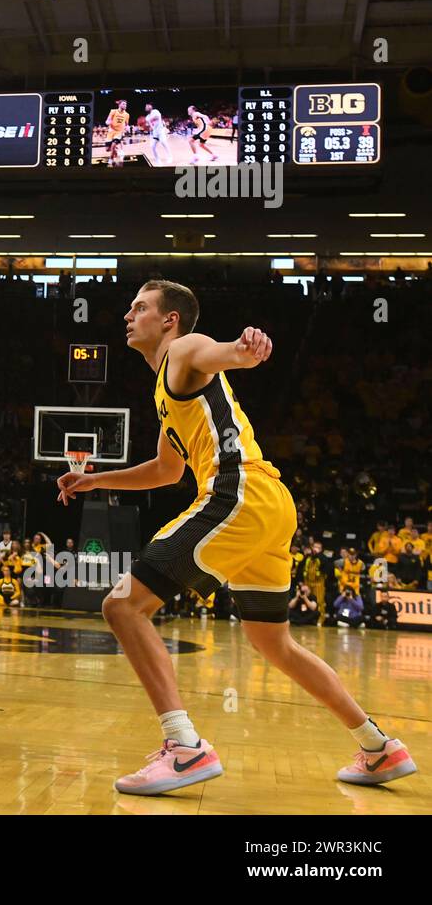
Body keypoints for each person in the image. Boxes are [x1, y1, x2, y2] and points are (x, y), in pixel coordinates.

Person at [57, 279, 417, 793]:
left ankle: (184, 748)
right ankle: (379, 747)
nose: (128, 315)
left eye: (140, 307)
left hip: (236, 493)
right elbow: (164, 470)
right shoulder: (167, 385)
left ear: (170, 320)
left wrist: (244, 350)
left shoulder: (183, 350)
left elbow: (218, 352)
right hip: (270, 504)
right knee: (275, 644)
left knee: (122, 606)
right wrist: (94, 479)